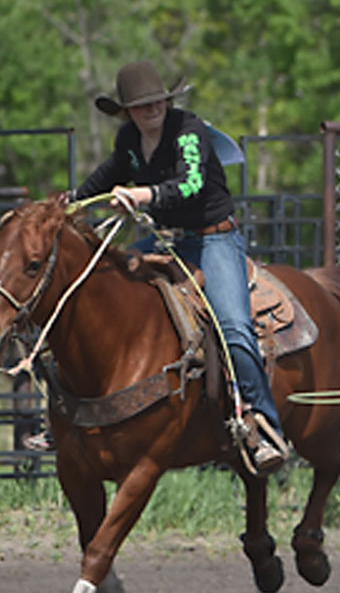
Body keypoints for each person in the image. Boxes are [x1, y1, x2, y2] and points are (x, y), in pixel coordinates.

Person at [74, 61, 290, 475]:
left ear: (167, 100)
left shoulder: (189, 131)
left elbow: (190, 183)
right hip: (168, 239)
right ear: (127, 112)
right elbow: (107, 175)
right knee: (98, 285)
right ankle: (79, 413)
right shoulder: (130, 141)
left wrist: (141, 195)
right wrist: (74, 200)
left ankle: (263, 425)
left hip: (213, 239)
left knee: (234, 329)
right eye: (139, 105)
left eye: (155, 101)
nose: (150, 109)